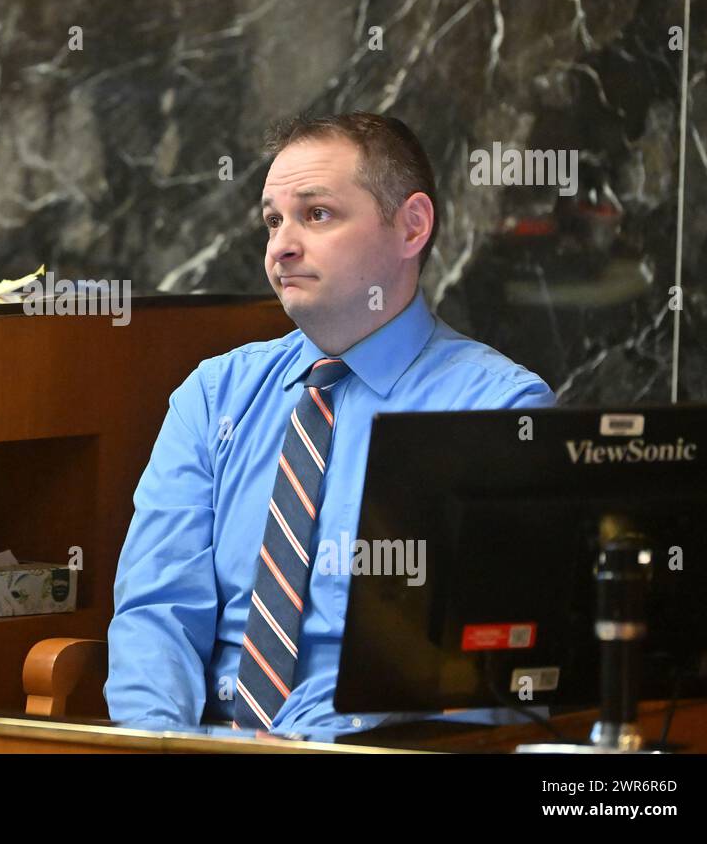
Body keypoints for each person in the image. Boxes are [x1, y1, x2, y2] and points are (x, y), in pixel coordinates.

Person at [105, 111, 556, 737]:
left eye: (316, 214)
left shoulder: (497, 410)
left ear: (411, 226)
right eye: (272, 220)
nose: (281, 246)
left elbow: (479, 670)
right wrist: (159, 751)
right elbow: (157, 615)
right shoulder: (213, 396)